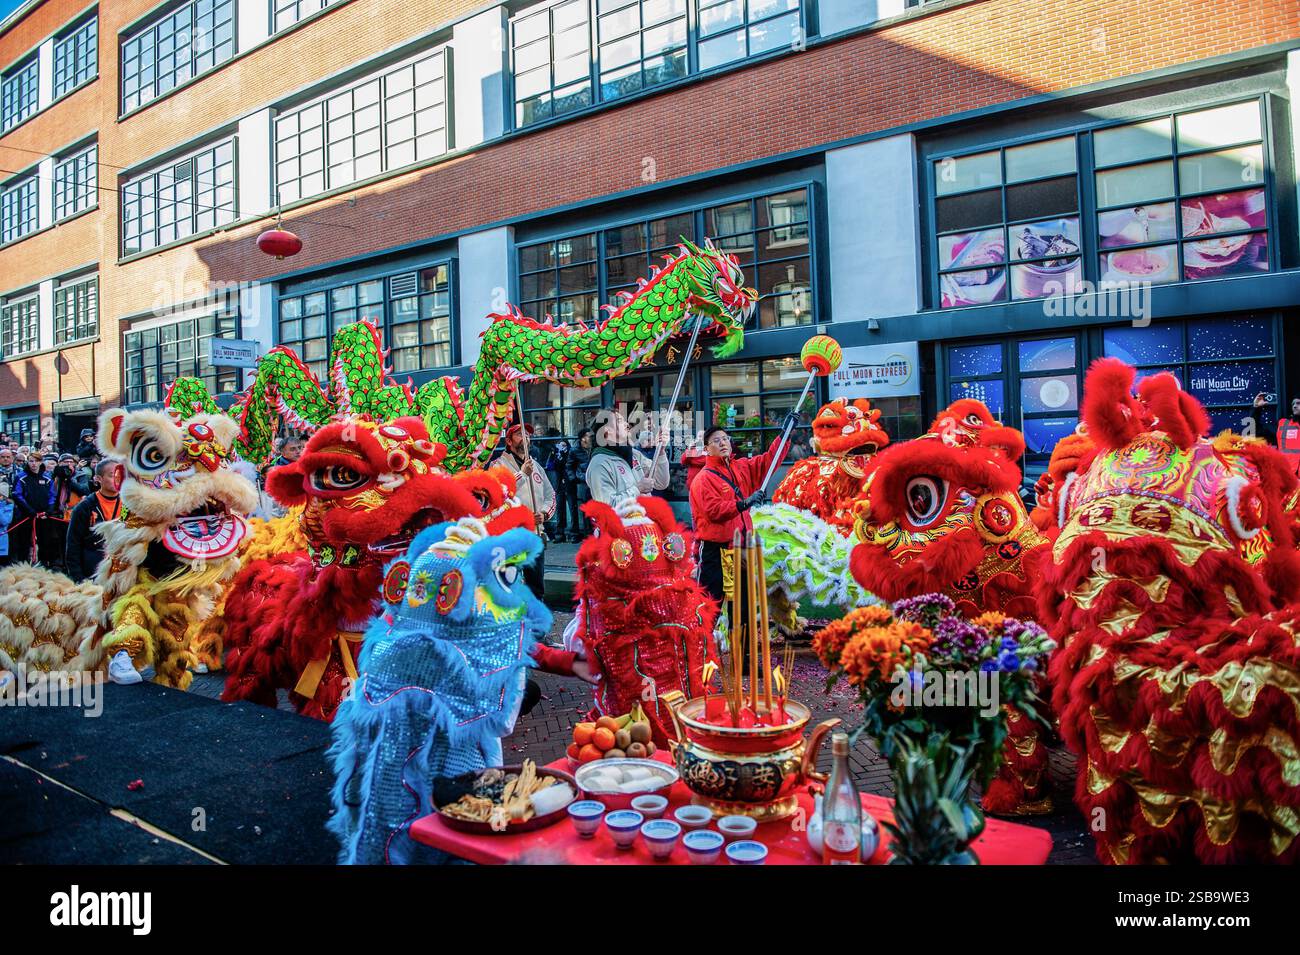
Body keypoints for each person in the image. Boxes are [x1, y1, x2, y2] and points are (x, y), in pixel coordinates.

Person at [688, 423, 793, 658]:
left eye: (725, 438)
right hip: (715, 550)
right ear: (707, 448)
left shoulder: (741, 468)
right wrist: (743, 503)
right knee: (710, 605)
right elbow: (713, 510)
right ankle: (695, 656)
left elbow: (768, 461)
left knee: (743, 608)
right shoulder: (703, 479)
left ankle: (743, 659)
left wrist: (784, 434)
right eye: (716, 440)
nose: (723, 442)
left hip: (741, 550)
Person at [492, 423, 555, 597]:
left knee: (536, 587)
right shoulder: (498, 465)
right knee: (510, 585)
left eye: (527, 435)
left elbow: (551, 495)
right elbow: (498, 494)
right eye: (520, 434)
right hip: (511, 537)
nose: (526, 438)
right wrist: (522, 474)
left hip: (535, 534)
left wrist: (543, 514)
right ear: (509, 441)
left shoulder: (536, 466)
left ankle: (536, 622)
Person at [585, 409, 669, 505]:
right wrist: (638, 490)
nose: (627, 424)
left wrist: (661, 451)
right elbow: (606, 507)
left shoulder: (634, 454)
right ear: (607, 430)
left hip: (644, 518)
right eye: (620, 421)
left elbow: (661, 483)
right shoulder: (599, 464)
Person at [64, 459, 123, 582]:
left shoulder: (128, 505)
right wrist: (78, 578)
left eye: (120, 474)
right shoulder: (84, 507)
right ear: (98, 479)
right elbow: (73, 544)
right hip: (92, 570)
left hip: (121, 571)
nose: (117, 478)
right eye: (112, 475)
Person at [10, 456, 50, 565]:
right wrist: (29, 510)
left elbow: (52, 495)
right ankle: (22, 563)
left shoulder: (47, 477)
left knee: (44, 540)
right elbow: (17, 495)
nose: (34, 464)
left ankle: (43, 563)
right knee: (23, 541)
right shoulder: (21, 477)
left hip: (43, 515)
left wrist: (48, 510)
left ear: (40, 462)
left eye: (36, 461)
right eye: (31, 461)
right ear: (28, 462)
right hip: (26, 515)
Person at [1254, 393, 1300, 475]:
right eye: (1293, 404)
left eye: (1298, 403)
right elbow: (1256, 430)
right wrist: (1256, 409)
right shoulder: (1283, 425)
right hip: (1287, 477)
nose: (1294, 406)